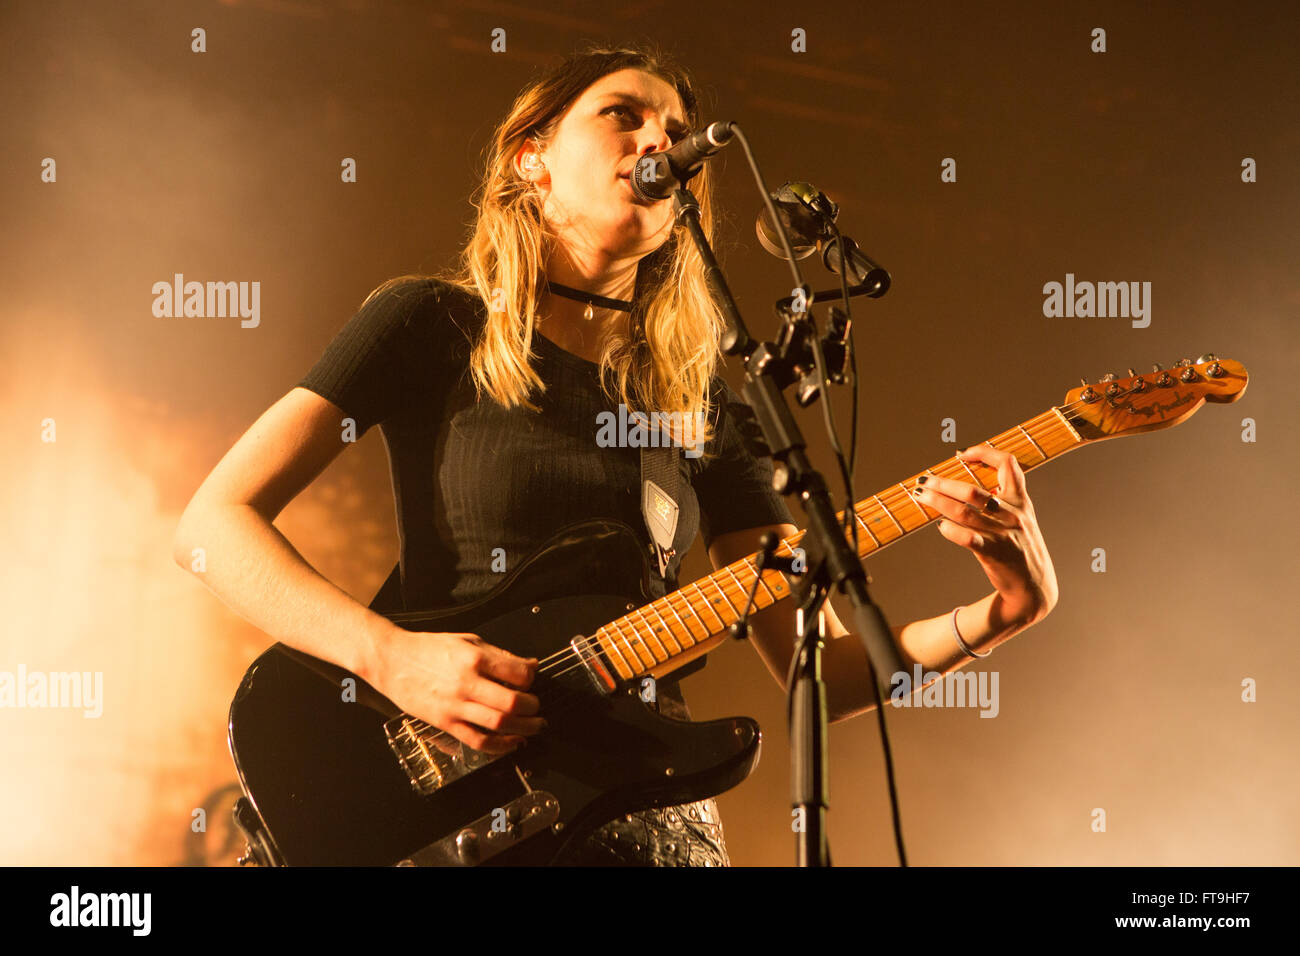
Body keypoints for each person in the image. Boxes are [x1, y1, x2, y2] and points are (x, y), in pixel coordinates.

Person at [173, 44, 1058, 866]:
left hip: (641, 822)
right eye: (623, 115)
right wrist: (391, 658)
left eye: (676, 134)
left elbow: (819, 676)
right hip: (450, 804)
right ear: (532, 156)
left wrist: (1004, 609)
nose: (659, 141)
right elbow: (214, 525)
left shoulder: (709, 392)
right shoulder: (429, 325)